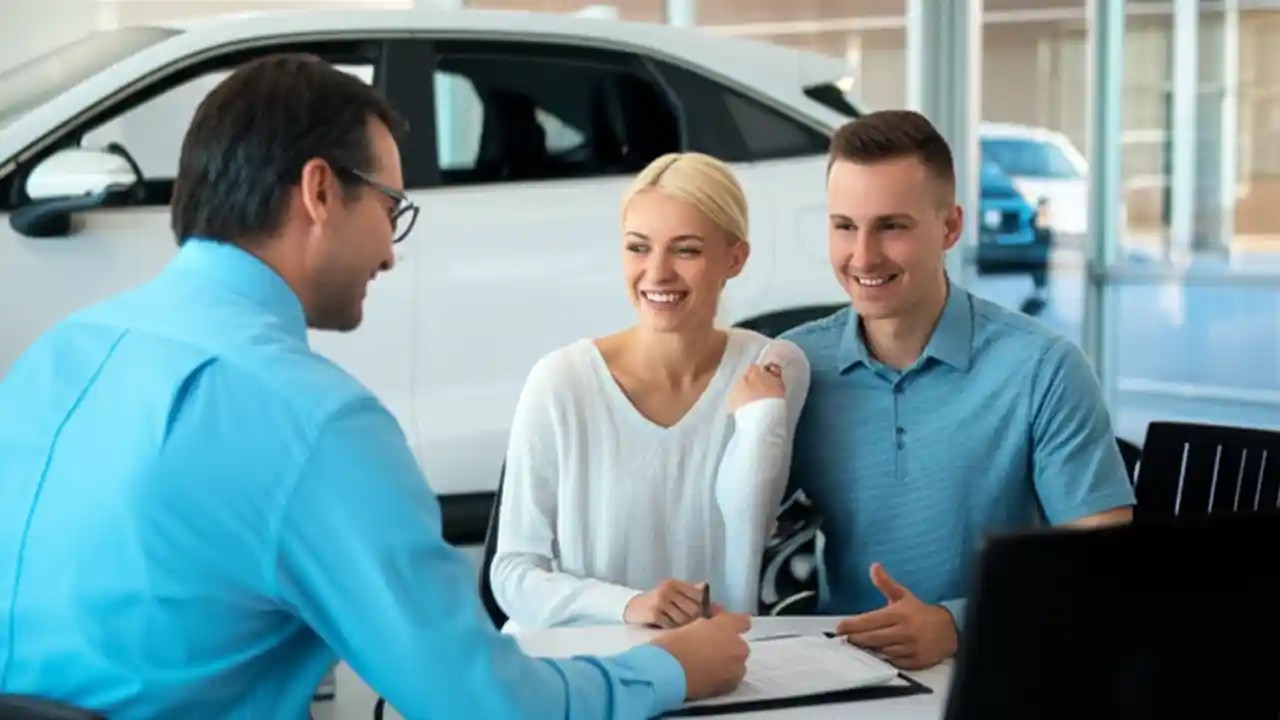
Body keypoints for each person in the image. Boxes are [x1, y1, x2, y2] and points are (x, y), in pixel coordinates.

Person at [0, 54, 753, 719]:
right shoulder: (316, 423)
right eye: (392, 210)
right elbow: (476, 704)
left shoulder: (57, 353)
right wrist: (669, 670)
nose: (392, 255)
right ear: (321, 191)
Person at [780, 110, 1136, 671]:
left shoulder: (1043, 368)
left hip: (1001, 666)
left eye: (892, 226)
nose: (864, 256)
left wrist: (955, 625)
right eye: (844, 225)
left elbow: (1103, 565)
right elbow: (718, 523)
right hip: (838, 672)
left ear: (950, 228)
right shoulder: (795, 365)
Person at [490, 152, 811, 630]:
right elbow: (513, 574)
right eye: (638, 248)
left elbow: (747, 528)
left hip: (719, 668)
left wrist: (760, 421)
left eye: (686, 250)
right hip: (589, 669)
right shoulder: (561, 383)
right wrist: (627, 605)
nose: (656, 273)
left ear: (736, 258)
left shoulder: (773, 369)